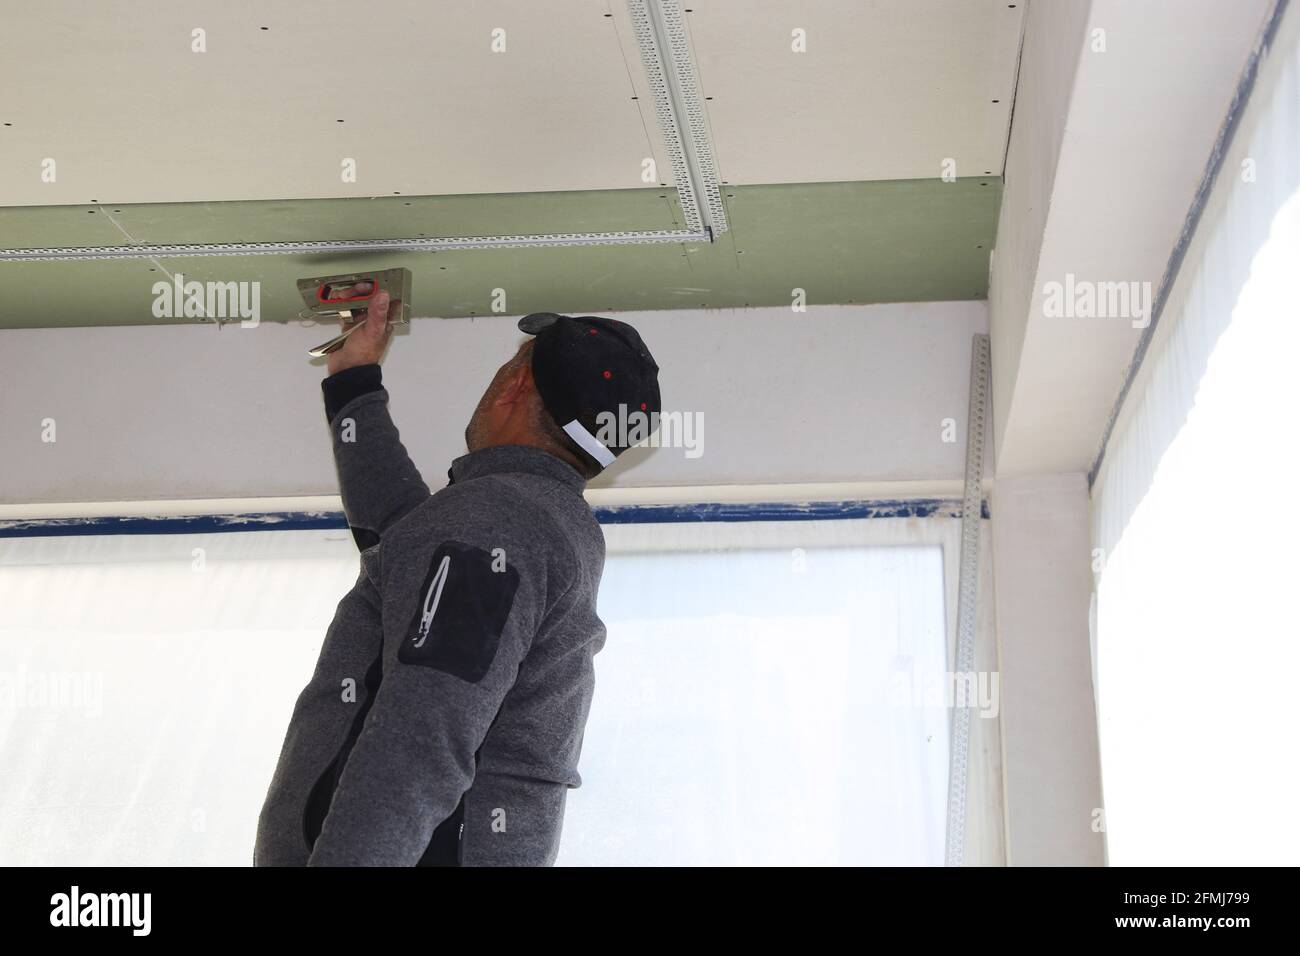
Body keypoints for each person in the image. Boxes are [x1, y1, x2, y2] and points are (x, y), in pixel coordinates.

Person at [253, 289, 662, 866]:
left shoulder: (498, 520)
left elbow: (419, 740)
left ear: (514, 385)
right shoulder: (531, 520)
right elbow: (397, 545)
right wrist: (352, 382)